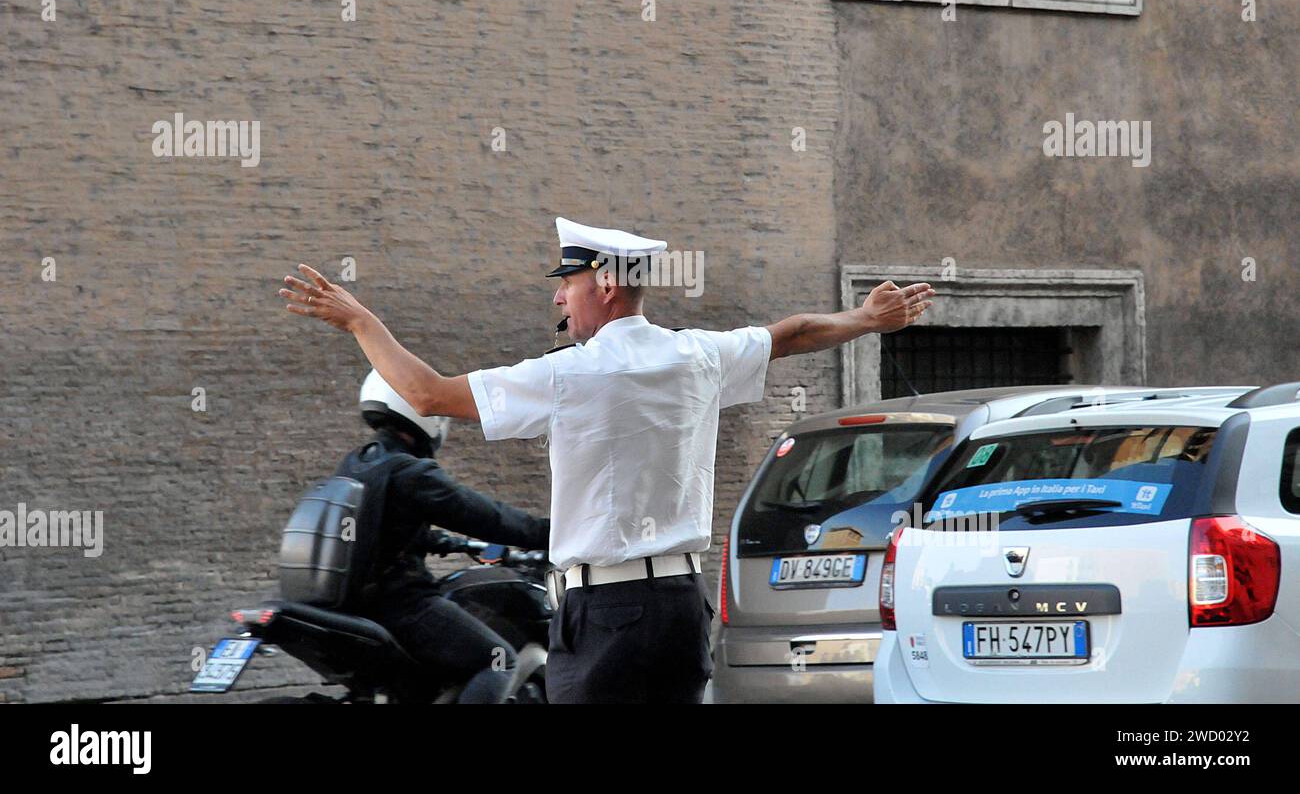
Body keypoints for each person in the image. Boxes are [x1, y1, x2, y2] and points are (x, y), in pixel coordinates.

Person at [278, 218, 934, 702]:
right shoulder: (697, 354)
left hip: (606, 612)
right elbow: (790, 334)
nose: (559, 298)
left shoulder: (573, 374)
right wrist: (865, 318)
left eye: (569, 282)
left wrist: (361, 321)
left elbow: (426, 392)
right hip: (680, 604)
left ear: (609, 286)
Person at [344, 369, 549, 703]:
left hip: (360, 603)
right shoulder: (409, 471)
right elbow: (484, 516)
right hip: (402, 605)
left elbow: (388, 530)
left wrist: (454, 544)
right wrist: (549, 532)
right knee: (498, 660)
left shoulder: (359, 463)